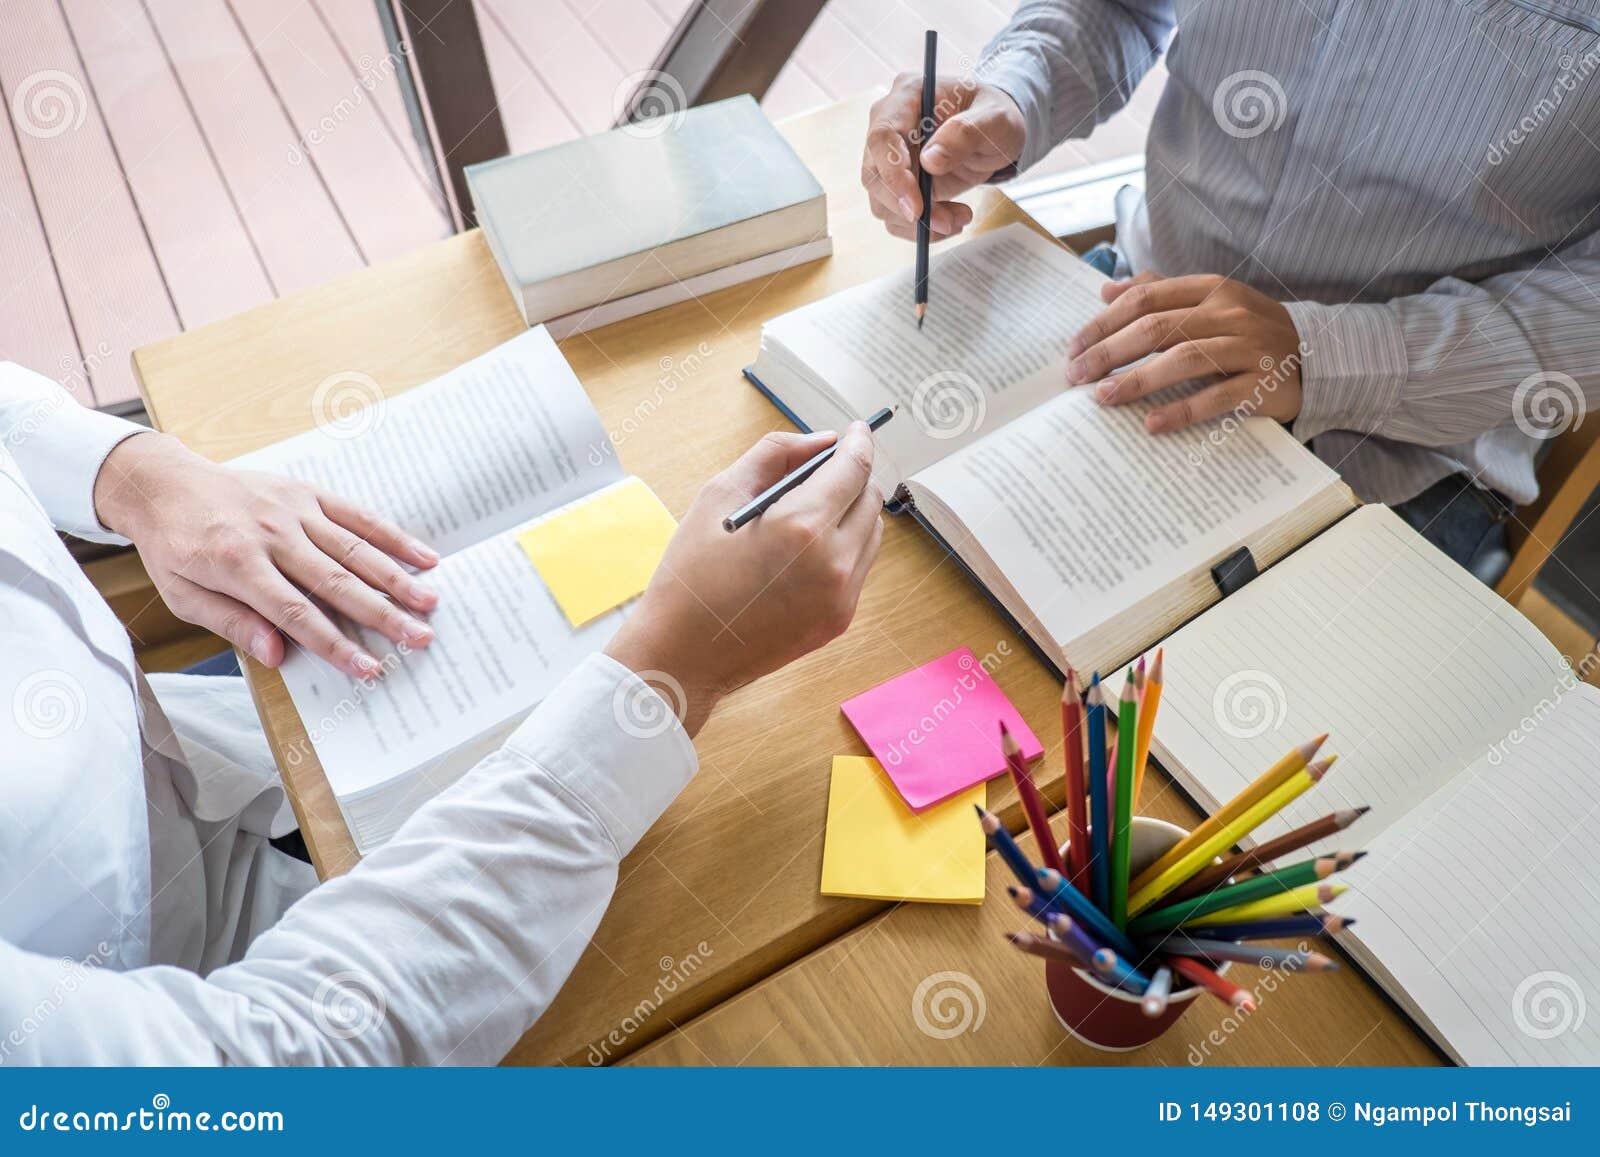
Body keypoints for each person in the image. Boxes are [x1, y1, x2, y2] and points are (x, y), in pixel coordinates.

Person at [0, 360, 882, 1064]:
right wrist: (671, 672)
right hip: (233, 967)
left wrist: (134, 472)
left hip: (187, 738)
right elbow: (282, 1072)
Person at [861, 0, 1600, 582]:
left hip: (1397, 456)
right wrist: (1016, 91)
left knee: (1149, 748)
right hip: (1123, 313)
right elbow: (1119, 6)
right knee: (878, 533)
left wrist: (1325, 356)